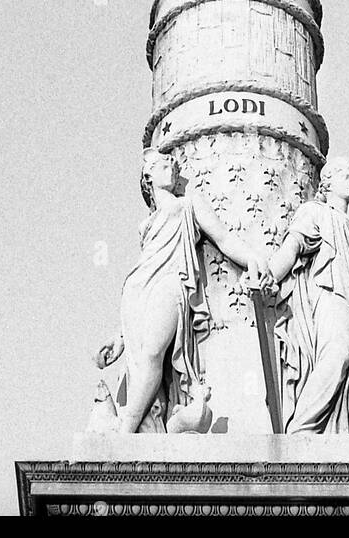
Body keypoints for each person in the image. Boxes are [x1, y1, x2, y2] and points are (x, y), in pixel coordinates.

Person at [97, 148, 264, 433]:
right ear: (148, 176)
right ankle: (145, 425)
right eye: (164, 164)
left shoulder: (188, 204)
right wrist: (120, 336)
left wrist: (255, 261)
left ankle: (126, 428)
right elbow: (147, 258)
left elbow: (223, 238)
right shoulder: (146, 224)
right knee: (141, 360)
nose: (172, 167)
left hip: (171, 281)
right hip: (138, 287)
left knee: (152, 353)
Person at [262, 156, 349, 433]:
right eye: (345, 175)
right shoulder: (315, 212)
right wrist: (271, 274)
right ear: (327, 181)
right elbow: (293, 247)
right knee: (338, 352)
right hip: (330, 293)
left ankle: (333, 430)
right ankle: (302, 426)